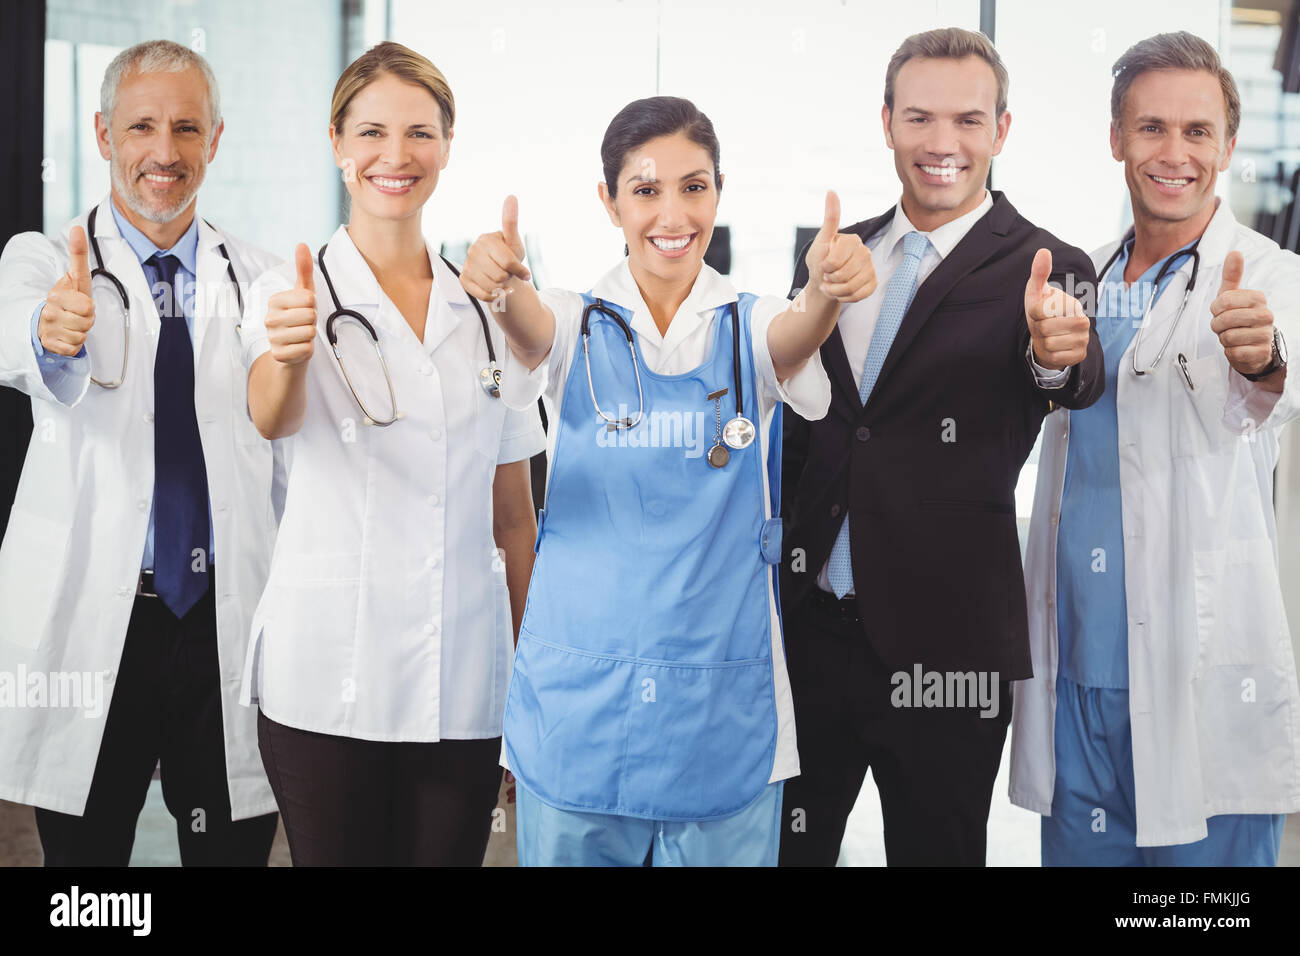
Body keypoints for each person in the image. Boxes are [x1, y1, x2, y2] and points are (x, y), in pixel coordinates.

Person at [459, 95, 876, 866]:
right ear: (610, 201)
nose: (673, 212)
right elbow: (527, 326)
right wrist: (500, 287)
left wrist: (825, 291)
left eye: (694, 186)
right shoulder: (573, 323)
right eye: (646, 190)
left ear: (719, 191)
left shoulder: (749, 327)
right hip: (581, 709)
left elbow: (796, 333)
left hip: (716, 710)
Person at [777, 27, 1105, 867]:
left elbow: (1068, 370)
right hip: (810, 637)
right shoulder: (834, 256)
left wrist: (1052, 350)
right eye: (919, 116)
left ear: (1001, 130)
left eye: (968, 119)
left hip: (946, 652)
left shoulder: (1049, 266)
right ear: (886, 122)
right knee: (785, 851)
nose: (942, 143)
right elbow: (801, 426)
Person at [241, 41, 544, 866]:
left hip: (464, 684)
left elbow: (514, 518)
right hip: (326, 681)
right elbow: (272, 414)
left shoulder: (486, 312)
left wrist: (533, 684)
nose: (395, 155)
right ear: (338, 144)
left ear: (447, 146)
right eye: (372, 132)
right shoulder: (289, 293)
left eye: (420, 133)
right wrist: (292, 355)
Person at [1009, 31, 1300, 865]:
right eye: (1151, 129)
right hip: (1076, 680)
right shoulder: (1078, 277)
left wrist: (1261, 354)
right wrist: (1040, 355)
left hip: (1202, 677)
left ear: (1229, 146)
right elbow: (1045, 399)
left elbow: (1271, 388)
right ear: (1115, 140)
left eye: (1197, 132)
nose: (1175, 154)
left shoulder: (1271, 275)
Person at [0, 40, 281, 865]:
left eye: (186, 128)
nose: (164, 152)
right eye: (142, 127)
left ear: (215, 141)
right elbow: (19, 336)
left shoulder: (260, 279)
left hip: (225, 618)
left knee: (230, 851)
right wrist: (52, 334)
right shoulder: (47, 261)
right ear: (103, 134)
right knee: (86, 878)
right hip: (102, 624)